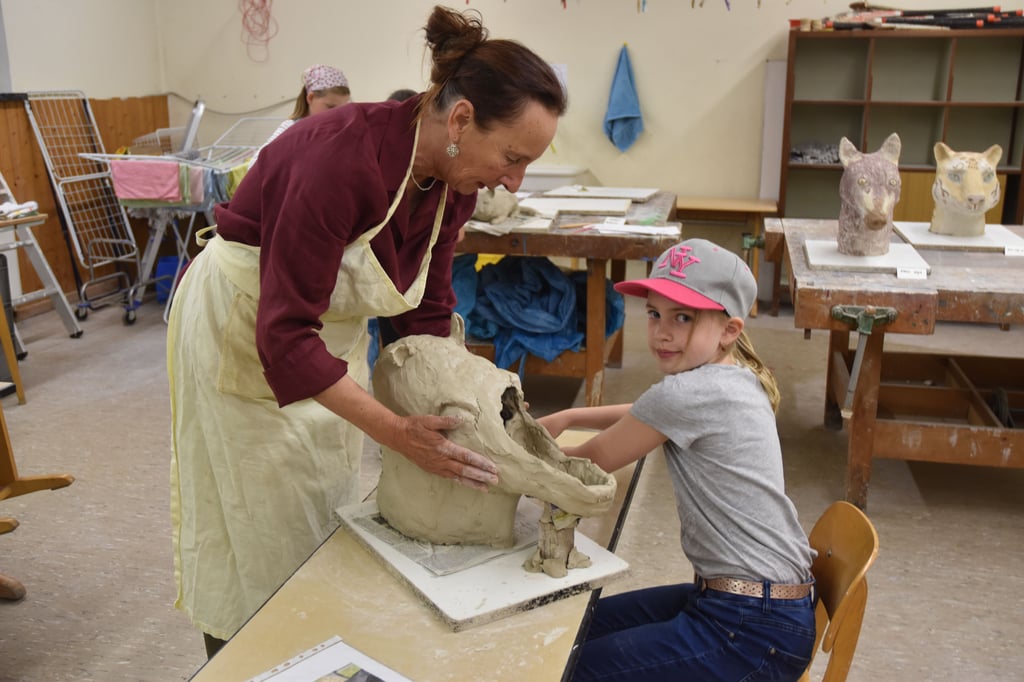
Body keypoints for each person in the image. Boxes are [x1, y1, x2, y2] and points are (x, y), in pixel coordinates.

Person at [166, 4, 566, 658]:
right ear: (462, 120)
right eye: (513, 157)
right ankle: (240, 661)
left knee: (324, 506)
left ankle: (307, 652)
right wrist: (397, 433)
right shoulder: (339, 160)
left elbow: (424, 315)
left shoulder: (450, 181)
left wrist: (464, 412)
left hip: (323, 333)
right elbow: (286, 337)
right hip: (246, 326)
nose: (512, 181)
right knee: (255, 528)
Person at [538, 238, 817, 682]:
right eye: (654, 314)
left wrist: (504, 461)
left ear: (729, 330)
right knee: (571, 628)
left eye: (682, 317)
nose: (662, 332)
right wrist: (571, 414)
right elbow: (651, 411)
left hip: (748, 630)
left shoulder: (688, 394)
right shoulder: (738, 375)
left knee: (565, 667)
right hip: (764, 607)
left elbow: (583, 466)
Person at [248, 63, 352, 168]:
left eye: (343, 109)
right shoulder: (290, 128)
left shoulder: (339, 130)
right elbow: (254, 167)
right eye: (330, 107)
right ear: (310, 98)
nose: (337, 114)